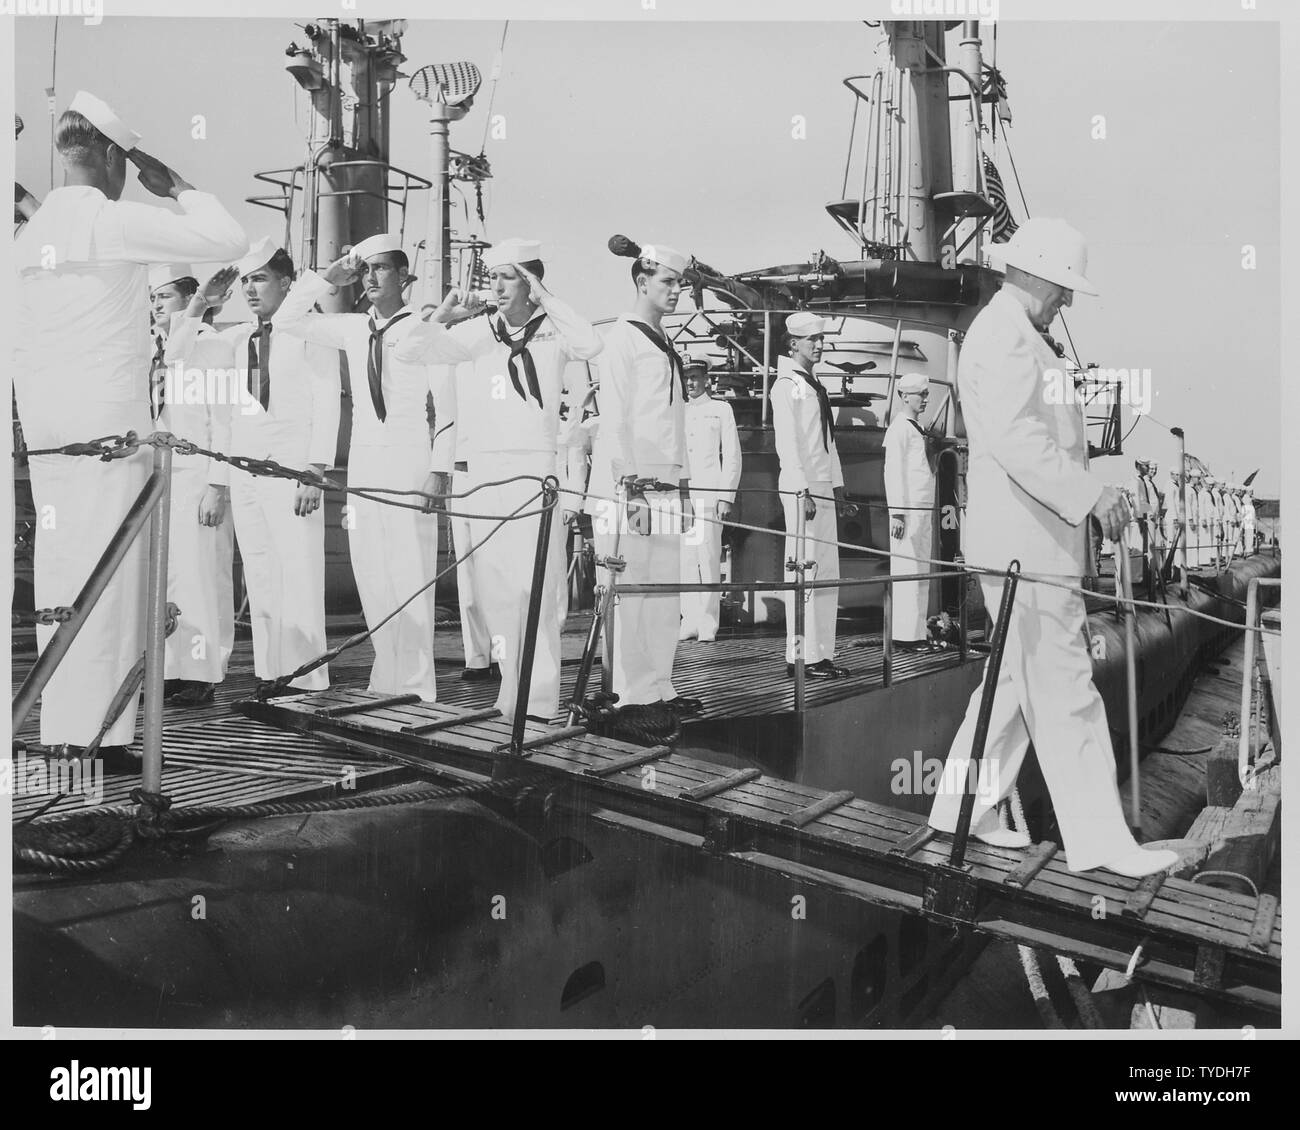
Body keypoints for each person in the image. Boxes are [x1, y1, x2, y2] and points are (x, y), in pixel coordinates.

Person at [926, 218, 1177, 878]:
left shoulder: (1014, 334)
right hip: (1024, 551)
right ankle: (1103, 845)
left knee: (1010, 685)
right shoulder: (1006, 337)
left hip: (1025, 546)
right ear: (1036, 275)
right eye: (1065, 288)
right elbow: (1018, 441)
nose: (1067, 301)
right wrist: (1091, 495)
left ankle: (958, 811)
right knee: (1066, 689)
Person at [13, 91, 247, 768]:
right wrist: (177, 187)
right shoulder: (107, 221)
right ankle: (99, 737)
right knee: (112, 580)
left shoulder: (28, 236)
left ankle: (61, 724)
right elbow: (226, 240)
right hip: (108, 431)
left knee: (60, 575)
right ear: (116, 156)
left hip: (49, 434)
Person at [396, 238, 602, 721]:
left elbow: (592, 343)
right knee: (496, 592)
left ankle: (541, 701)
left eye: (508, 276)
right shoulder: (478, 333)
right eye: (494, 277)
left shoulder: (554, 330)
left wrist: (546, 297)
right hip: (487, 474)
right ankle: (512, 693)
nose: (496, 285)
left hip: (534, 472)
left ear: (531, 282)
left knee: (539, 590)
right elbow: (409, 352)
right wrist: (444, 313)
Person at [270, 233, 452, 702]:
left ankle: (417, 688)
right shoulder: (351, 327)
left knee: (410, 573)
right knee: (372, 573)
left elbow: (447, 405)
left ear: (404, 276)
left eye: (382, 269)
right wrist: (327, 278)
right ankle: (386, 679)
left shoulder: (423, 326)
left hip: (410, 458)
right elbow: (288, 319)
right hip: (366, 462)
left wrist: (440, 469)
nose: (371, 278)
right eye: (365, 270)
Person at [169, 238, 339, 694]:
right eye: (245, 281)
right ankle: (271, 672)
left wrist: (316, 471)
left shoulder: (310, 331)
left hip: (292, 471)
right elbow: (178, 356)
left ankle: (306, 676)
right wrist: (200, 305)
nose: (249, 289)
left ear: (287, 283)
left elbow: (327, 402)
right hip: (245, 473)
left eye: (259, 279)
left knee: (298, 572)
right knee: (261, 575)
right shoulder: (234, 338)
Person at [585, 242, 700, 711]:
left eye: (679, 284)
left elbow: (673, 422)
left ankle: (659, 687)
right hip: (629, 488)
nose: (676, 292)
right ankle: (630, 694)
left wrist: (687, 488)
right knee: (629, 594)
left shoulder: (663, 342)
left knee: (662, 593)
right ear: (641, 282)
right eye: (668, 283)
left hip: (667, 486)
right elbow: (615, 419)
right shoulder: (622, 339)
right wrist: (629, 487)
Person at [152, 264, 235, 706]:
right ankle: (170, 668)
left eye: (163, 297)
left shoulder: (213, 346)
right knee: (168, 580)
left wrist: (217, 486)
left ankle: (204, 671)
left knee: (203, 575)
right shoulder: (158, 349)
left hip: (200, 473)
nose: (156, 306)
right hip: (163, 479)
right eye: (152, 299)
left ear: (189, 299)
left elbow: (224, 422)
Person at [770, 312, 856, 679]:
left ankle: (822, 653)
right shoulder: (786, 386)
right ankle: (800, 656)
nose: (820, 345)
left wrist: (837, 486)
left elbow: (826, 441)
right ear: (793, 344)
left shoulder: (814, 384)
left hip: (821, 486)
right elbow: (789, 446)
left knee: (827, 570)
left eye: (821, 339)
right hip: (802, 486)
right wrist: (802, 491)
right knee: (804, 569)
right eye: (812, 341)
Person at [679, 357, 741, 643]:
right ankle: (689, 620)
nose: (690, 382)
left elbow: (731, 455)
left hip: (708, 493)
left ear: (707, 379)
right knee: (686, 561)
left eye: (695, 377)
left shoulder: (720, 409)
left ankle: (708, 623)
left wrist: (726, 496)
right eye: (686, 377)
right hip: (682, 495)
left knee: (708, 559)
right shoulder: (677, 410)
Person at [882, 372, 936, 650]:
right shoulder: (899, 429)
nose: (925, 399)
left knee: (920, 573)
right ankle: (904, 636)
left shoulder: (915, 426)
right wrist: (898, 514)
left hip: (922, 509)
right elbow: (893, 473)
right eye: (920, 394)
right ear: (904, 396)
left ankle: (917, 634)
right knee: (908, 572)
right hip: (909, 512)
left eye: (926, 394)